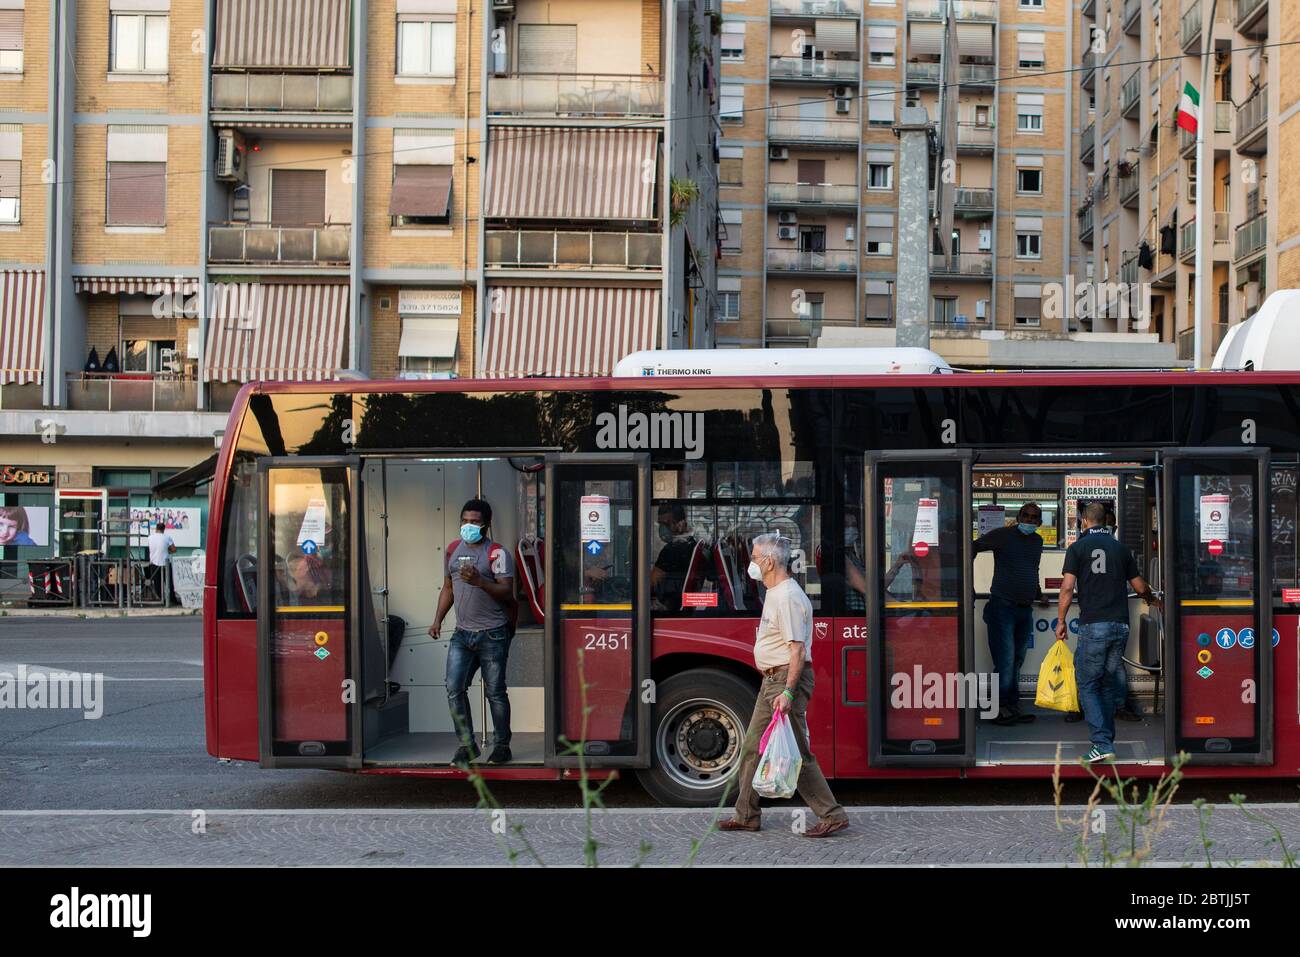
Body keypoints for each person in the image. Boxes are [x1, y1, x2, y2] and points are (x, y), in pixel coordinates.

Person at [720, 533, 849, 838]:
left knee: (795, 752)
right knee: (753, 746)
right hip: (773, 680)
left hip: (783, 680)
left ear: (768, 561)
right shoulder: (777, 593)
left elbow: (797, 650)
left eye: (753, 557)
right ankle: (746, 814)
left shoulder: (788, 597)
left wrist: (788, 692)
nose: (750, 563)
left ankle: (831, 814)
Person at [1056, 502, 1161, 763]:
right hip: (1120, 626)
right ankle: (1106, 743)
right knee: (1106, 684)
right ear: (1106, 522)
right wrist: (1152, 600)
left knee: (1088, 685)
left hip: (1094, 625)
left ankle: (1101, 744)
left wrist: (1060, 621)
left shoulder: (1077, 548)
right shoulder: (1121, 548)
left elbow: (1067, 588)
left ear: (1084, 521)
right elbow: (1139, 586)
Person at [429, 498, 516, 766]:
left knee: (495, 692)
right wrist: (437, 620)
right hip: (462, 634)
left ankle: (502, 745)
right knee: (454, 688)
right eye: (465, 521)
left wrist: (480, 581)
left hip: (493, 633)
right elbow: (448, 588)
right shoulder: (453, 550)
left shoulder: (497, 553)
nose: (468, 526)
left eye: (475, 522)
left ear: (486, 525)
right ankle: (467, 745)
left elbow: (506, 590)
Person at [975, 503, 1046, 725]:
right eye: (1026, 515)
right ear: (1018, 517)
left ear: (1040, 522)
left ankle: (1011, 706)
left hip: (1024, 608)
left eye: (1034, 517)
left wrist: (1038, 593)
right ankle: (998, 709)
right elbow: (972, 547)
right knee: (1005, 661)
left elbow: (1032, 569)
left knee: (1016, 660)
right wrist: (965, 584)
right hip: (1002, 607)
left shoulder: (1037, 541)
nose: (1029, 520)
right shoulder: (1003, 535)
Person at [651, 503, 697, 612]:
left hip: (668, 606)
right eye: (660, 524)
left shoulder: (672, 549)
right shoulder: (691, 543)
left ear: (680, 524)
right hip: (677, 603)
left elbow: (651, 583)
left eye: (666, 524)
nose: (662, 529)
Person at [146, 521, 176, 604]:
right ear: (164, 529)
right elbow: (174, 549)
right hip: (165, 563)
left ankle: (160, 599)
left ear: (156, 528)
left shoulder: (150, 537)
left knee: (157, 583)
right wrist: (167, 550)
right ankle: (172, 599)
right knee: (169, 583)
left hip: (154, 562)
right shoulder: (167, 537)